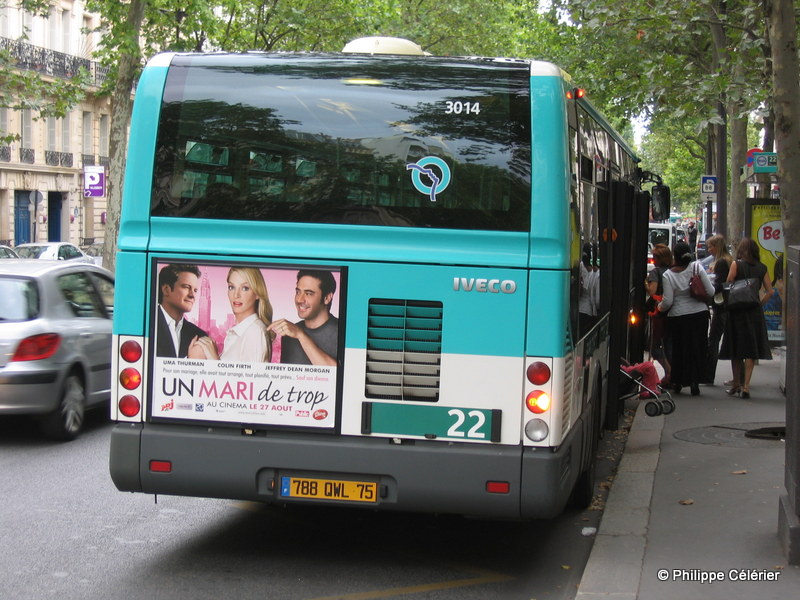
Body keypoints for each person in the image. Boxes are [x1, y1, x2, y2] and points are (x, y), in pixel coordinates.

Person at [718, 237, 773, 399]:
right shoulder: (762, 268)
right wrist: (758, 303)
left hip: (737, 312)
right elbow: (770, 291)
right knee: (751, 350)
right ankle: (746, 386)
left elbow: (728, 283)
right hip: (754, 313)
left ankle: (736, 383)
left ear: (741, 250)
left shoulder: (737, 264)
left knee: (736, 348)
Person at [657, 241, 714, 395]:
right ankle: (695, 382)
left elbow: (668, 301)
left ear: (674, 256)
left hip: (678, 317)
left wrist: (659, 307)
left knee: (679, 350)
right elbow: (711, 291)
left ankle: (678, 381)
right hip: (699, 315)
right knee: (697, 348)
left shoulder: (668, 275)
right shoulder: (697, 267)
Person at [188, 267, 275, 362]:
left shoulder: (255, 331)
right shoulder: (237, 332)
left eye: (245, 288)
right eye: (231, 287)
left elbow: (251, 377)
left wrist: (213, 359)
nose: (236, 295)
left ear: (257, 293)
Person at [269, 269, 339, 366]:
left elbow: (341, 375)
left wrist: (301, 335)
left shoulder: (344, 332)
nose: (299, 299)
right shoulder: (289, 335)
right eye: (298, 292)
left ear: (327, 298)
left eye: (308, 293)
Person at [156, 264, 208, 358]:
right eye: (186, 287)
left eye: (195, 290)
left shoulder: (199, 336)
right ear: (166, 289)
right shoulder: (147, 325)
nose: (192, 295)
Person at [702, 234, 733, 384]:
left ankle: (708, 375)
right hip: (729, 305)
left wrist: (708, 286)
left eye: (711, 246)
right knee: (729, 339)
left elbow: (720, 285)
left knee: (713, 340)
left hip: (721, 306)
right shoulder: (729, 260)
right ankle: (738, 378)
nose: (709, 250)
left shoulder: (721, 263)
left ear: (717, 247)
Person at [645, 244, 673, 386]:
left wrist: (646, 283)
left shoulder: (656, 272)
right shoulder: (672, 270)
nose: (653, 258)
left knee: (654, 344)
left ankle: (669, 371)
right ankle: (671, 375)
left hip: (658, 310)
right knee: (668, 343)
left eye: (655, 256)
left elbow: (652, 291)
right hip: (673, 311)